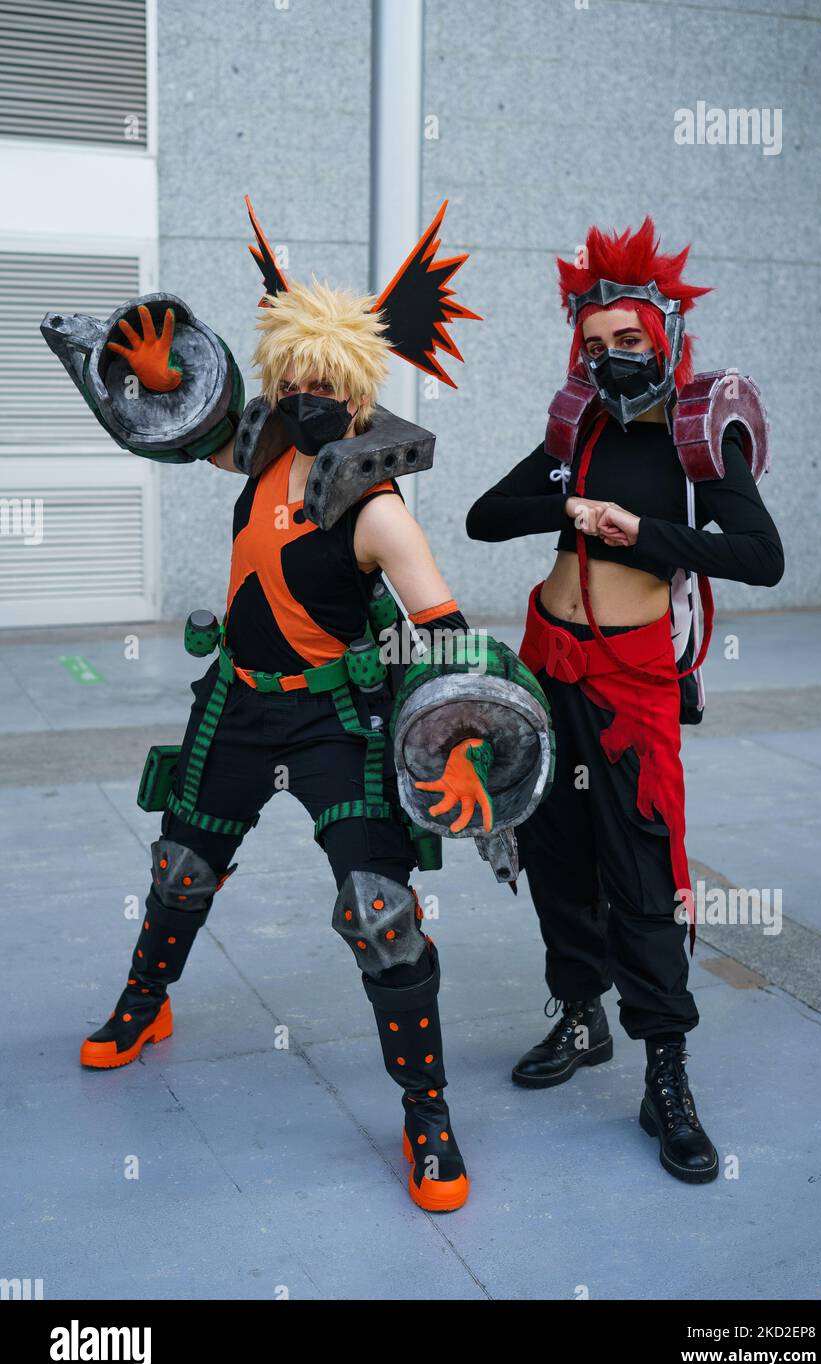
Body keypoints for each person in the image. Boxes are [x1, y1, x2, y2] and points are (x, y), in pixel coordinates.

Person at [69, 200, 502, 1213]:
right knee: (179, 867)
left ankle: (426, 1112)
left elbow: (442, 632)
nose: (307, 396)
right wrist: (160, 382)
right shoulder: (259, 450)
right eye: (293, 379)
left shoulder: (377, 507)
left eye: (326, 385)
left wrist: (461, 738)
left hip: (331, 723)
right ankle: (145, 1002)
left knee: (380, 912)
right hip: (235, 705)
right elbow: (186, 434)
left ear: (357, 397)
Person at [466, 216, 784, 1184]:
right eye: (593, 344)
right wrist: (565, 506)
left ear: (667, 335)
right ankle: (578, 1013)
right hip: (546, 664)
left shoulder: (695, 442)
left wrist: (638, 531)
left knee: (642, 874)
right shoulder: (576, 431)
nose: (609, 358)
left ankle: (665, 1073)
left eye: (627, 341)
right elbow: (486, 518)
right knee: (552, 851)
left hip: (629, 683)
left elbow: (760, 558)